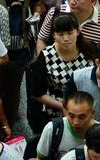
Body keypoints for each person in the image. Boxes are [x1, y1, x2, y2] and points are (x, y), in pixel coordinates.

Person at [27, 13, 93, 141]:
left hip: (87, 107)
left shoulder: (89, 50)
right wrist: (64, 107)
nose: (66, 38)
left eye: (69, 33)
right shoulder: (46, 56)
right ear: (53, 35)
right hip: (56, 109)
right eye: (60, 34)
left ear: (78, 32)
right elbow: (36, 93)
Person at [34, 90, 97, 160]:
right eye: (71, 116)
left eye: (82, 117)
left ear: (92, 113)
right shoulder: (53, 129)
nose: (76, 122)